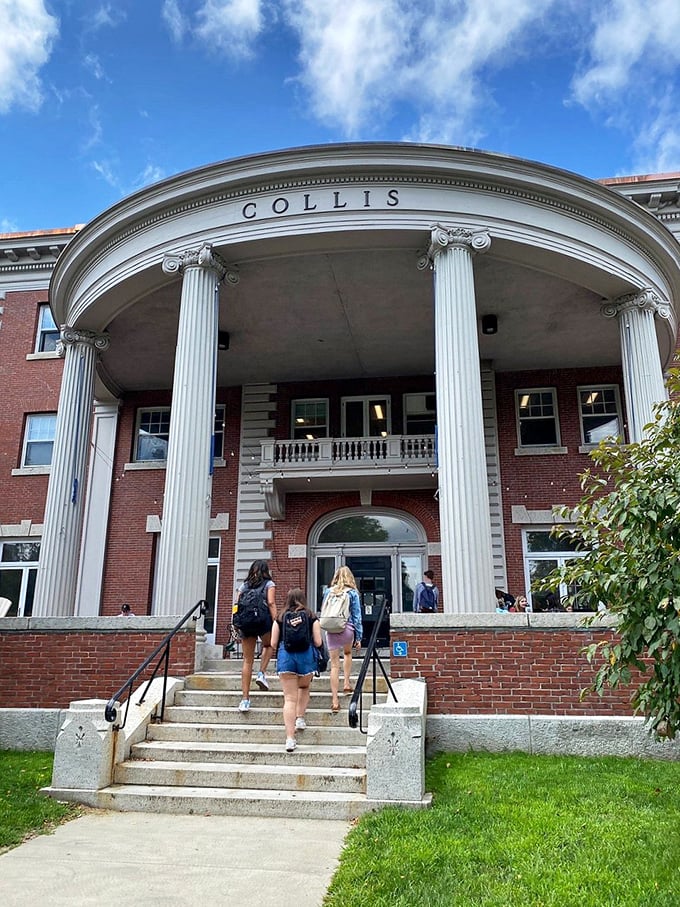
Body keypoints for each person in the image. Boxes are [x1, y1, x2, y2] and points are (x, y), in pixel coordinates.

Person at [270, 588, 322, 753]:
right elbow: (319, 642)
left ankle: (290, 739)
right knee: (304, 687)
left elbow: (272, 643)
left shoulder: (280, 617)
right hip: (306, 657)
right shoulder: (310, 616)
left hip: (286, 657)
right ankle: (300, 718)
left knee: (289, 699)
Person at [236, 559, 277, 713]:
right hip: (263, 620)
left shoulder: (244, 585)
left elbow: (237, 604)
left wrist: (235, 622)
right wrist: (276, 621)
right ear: (266, 570)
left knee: (247, 661)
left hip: (246, 622)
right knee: (269, 645)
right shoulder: (269, 584)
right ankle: (261, 673)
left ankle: (245, 700)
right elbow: (271, 603)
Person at [322, 566, 363, 713]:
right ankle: (346, 683)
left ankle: (334, 701)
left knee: (334, 665)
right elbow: (357, 617)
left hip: (331, 629)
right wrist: (359, 637)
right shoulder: (352, 593)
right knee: (347, 654)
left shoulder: (328, 591)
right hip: (347, 627)